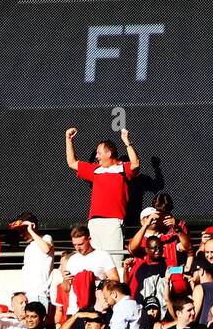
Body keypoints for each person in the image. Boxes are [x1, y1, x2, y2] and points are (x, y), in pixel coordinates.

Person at [64, 126, 138, 270]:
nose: (96, 156)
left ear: (109, 153)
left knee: (114, 262)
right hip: (94, 222)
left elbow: (135, 164)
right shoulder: (95, 170)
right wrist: (68, 140)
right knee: (94, 263)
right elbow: (72, 163)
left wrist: (126, 142)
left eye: (99, 153)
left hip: (113, 222)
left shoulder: (123, 168)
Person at [60, 225, 118, 317]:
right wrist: (65, 279)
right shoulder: (72, 259)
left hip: (97, 308)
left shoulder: (103, 255)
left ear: (89, 239)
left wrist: (98, 284)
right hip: (75, 310)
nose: (77, 248)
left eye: (80, 244)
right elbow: (66, 288)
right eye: (74, 245)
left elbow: (115, 279)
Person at [10, 214, 53, 314]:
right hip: (29, 296)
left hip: (41, 295)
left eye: (23, 230)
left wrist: (30, 230)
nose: (21, 234)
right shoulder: (28, 248)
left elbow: (46, 248)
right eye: (19, 231)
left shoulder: (46, 238)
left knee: (40, 328)